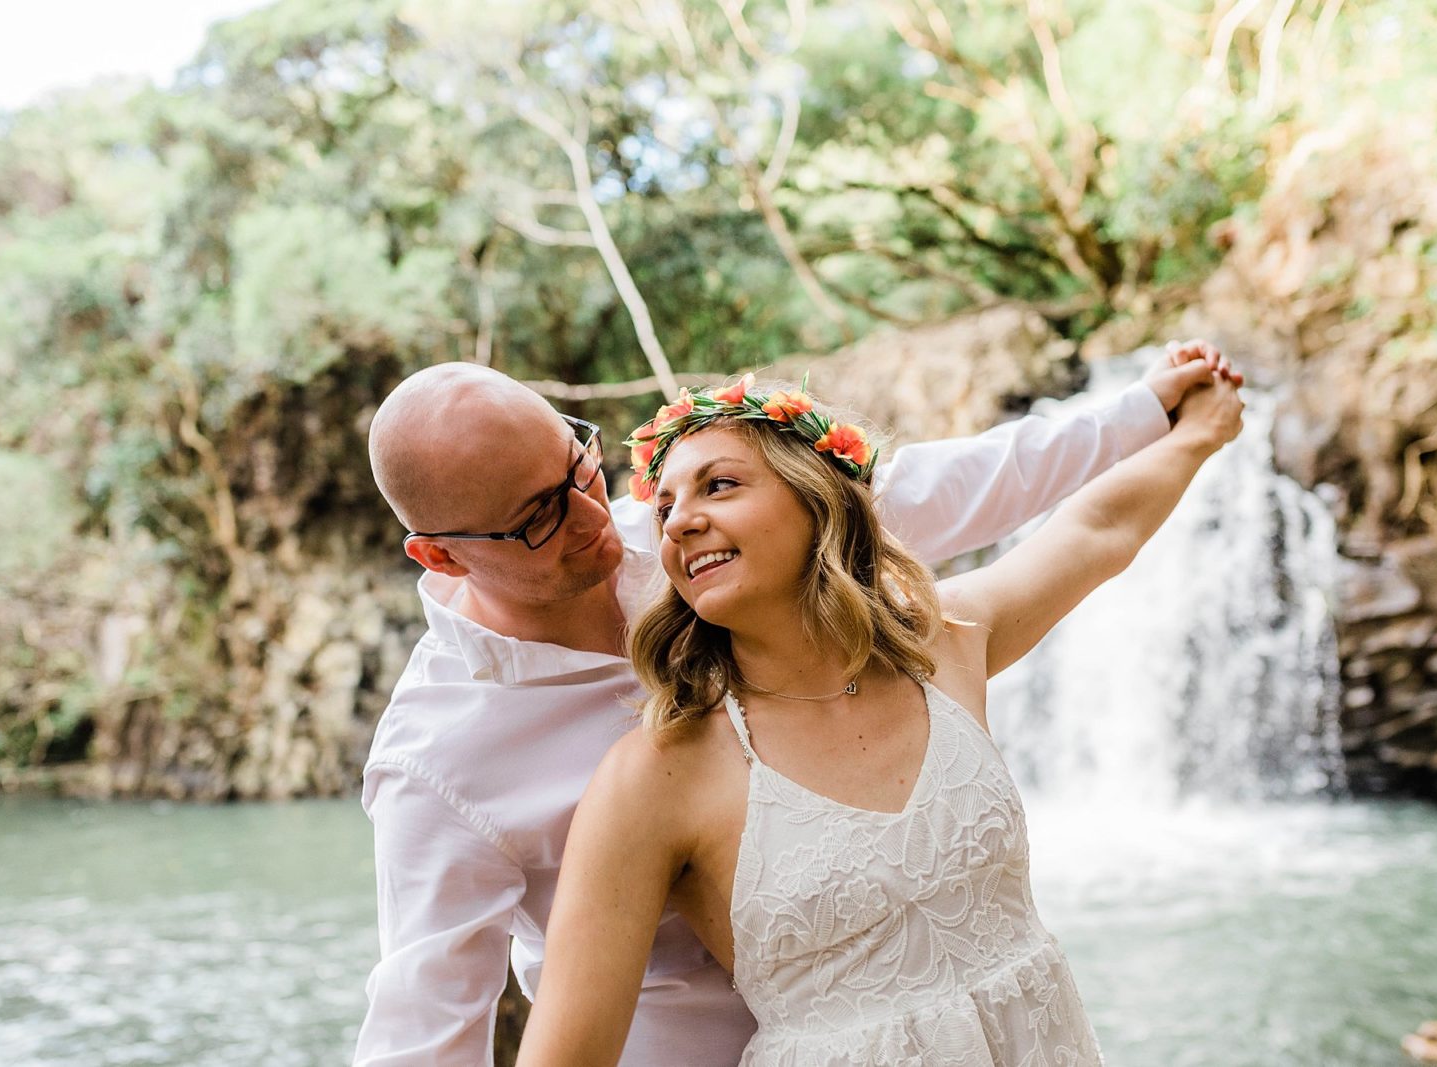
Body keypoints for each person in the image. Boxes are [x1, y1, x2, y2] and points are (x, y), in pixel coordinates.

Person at [355, 347, 1235, 1066]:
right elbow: (420, 1033)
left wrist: (1145, 418)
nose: (597, 514)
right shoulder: (449, 762)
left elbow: (958, 494)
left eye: (580, 463)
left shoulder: (691, 542)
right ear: (439, 555)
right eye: (540, 515)